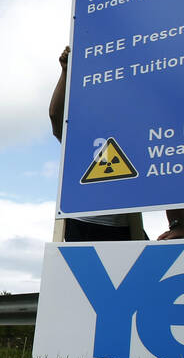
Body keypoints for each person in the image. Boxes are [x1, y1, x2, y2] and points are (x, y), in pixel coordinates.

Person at [49, 45, 143, 241]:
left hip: (125, 226)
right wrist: (66, 71)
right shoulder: (82, 137)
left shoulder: (131, 135)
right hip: (82, 223)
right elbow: (55, 116)